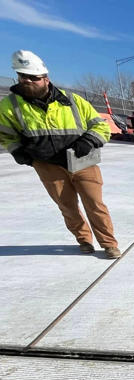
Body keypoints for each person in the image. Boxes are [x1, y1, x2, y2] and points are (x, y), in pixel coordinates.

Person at [0, 50, 121, 258]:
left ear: (46, 79)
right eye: (22, 76)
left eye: (33, 77)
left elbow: (102, 127)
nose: (27, 81)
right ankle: (84, 239)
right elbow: (6, 135)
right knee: (67, 206)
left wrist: (88, 141)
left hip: (82, 161)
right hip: (47, 165)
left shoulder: (73, 101)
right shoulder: (9, 106)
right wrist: (19, 152)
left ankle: (109, 244)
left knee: (95, 204)